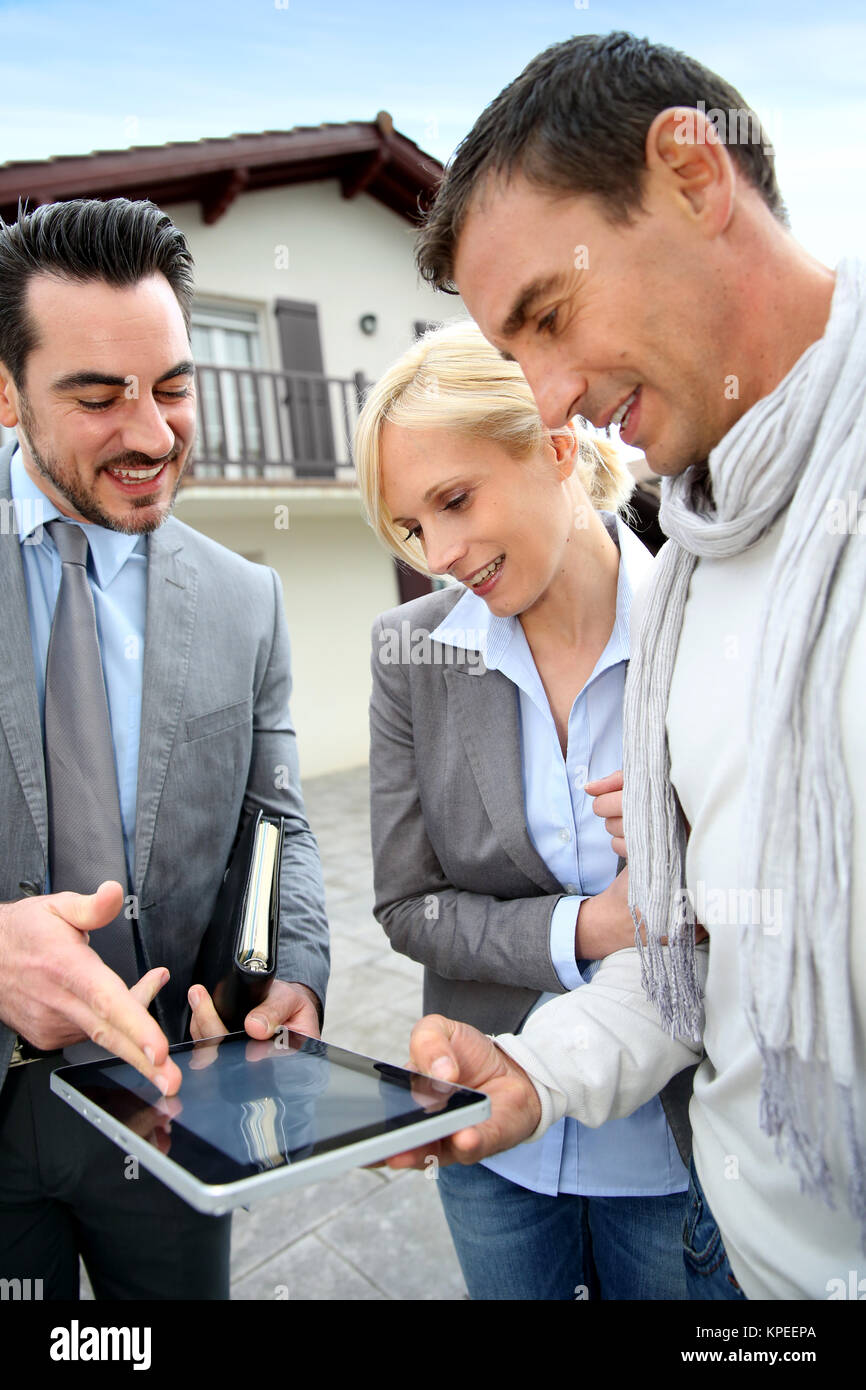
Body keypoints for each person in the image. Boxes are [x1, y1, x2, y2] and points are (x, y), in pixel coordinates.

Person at [387, 31, 866, 1302]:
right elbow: (700, 962)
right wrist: (538, 1070)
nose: (546, 397)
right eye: (510, 352)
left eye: (548, 314)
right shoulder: (704, 556)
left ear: (690, 176)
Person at [0, 197, 330, 1299]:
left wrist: (294, 971)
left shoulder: (248, 599)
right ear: (5, 392)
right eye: (97, 397)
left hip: (172, 1099)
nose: (150, 434)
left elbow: (276, 818)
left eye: (173, 386)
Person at [356, 320, 704, 1299]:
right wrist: (590, 923)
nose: (442, 552)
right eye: (414, 527)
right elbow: (404, 906)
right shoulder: (407, 652)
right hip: (491, 1147)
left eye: (455, 500)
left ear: (558, 449)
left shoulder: (707, 624)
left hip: (674, 1160)